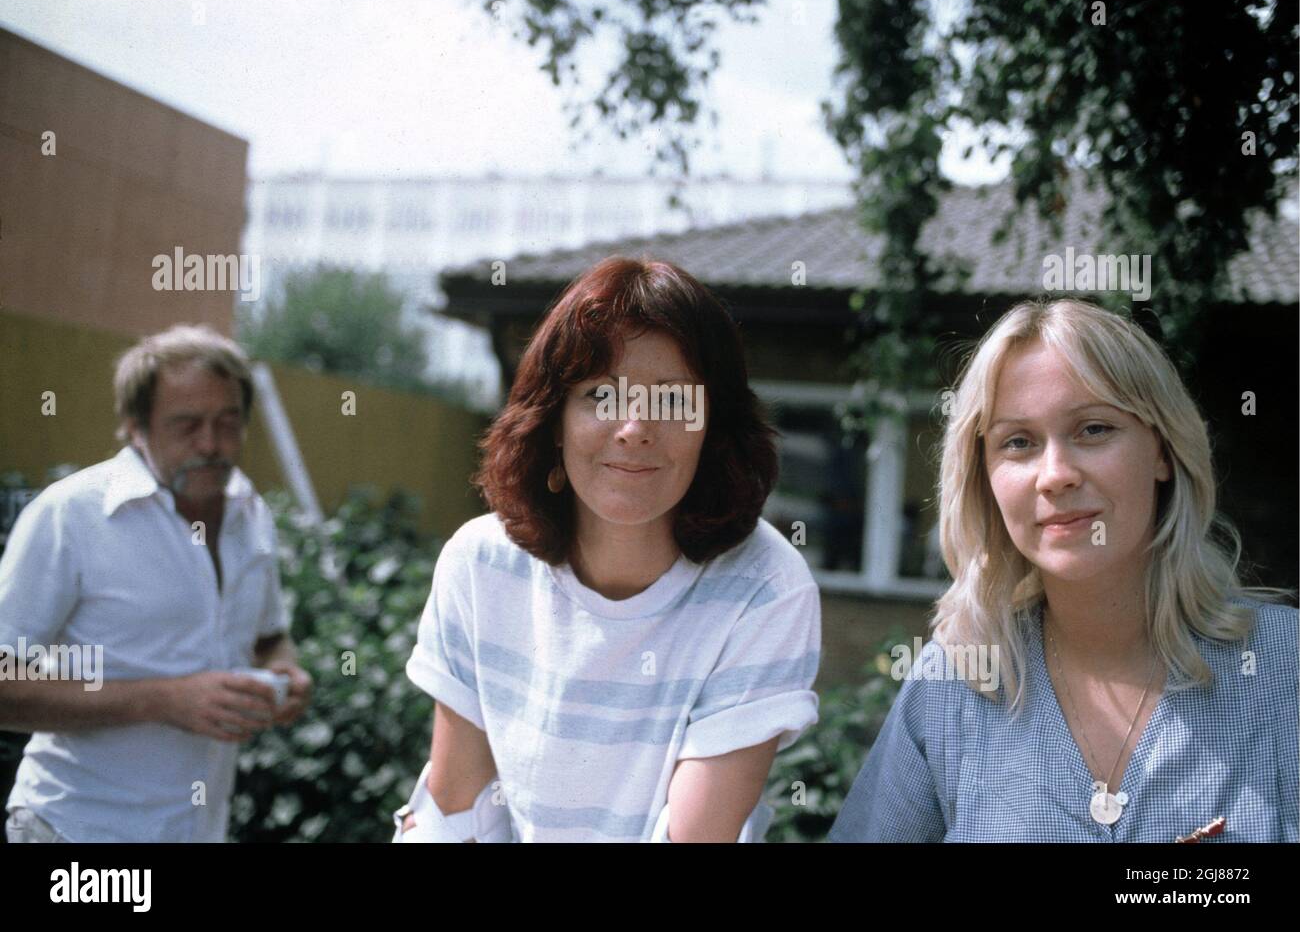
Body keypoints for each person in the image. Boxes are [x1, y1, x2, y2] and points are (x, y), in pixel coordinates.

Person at [830, 298, 1297, 843]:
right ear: (984, 477)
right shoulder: (957, 681)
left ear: (1163, 452)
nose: (1055, 475)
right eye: (1018, 443)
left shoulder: (1283, 668)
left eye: (1093, 429)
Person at [394, 256, 821, 842]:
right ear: (554, 418)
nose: (634, 427)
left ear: (713, 428)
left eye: (673, 401)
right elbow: (453, 809)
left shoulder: (765, 586)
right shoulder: (480, 564)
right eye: (601, 394)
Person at [0, 324, 312, 842]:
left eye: (228, 422)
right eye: (187, 425)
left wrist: (286, 673)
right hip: (76, 830)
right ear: (135, 425)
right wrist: (164, 700)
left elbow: (268, 636)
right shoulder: (72, 515)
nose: (211, 444)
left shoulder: (249, 511)